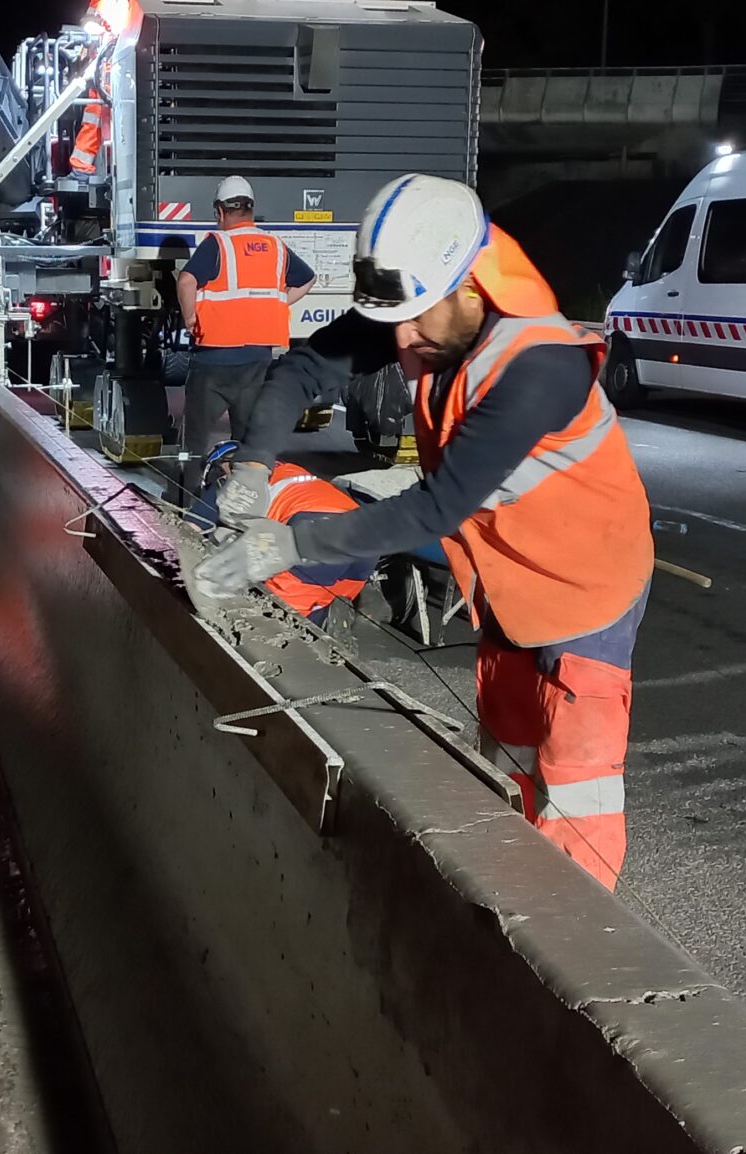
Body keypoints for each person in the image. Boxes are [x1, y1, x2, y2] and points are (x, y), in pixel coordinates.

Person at [191, 174, 653, 890]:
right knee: (508, 749)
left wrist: (287, 545)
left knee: (575, 781)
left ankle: (572, 926)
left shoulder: (539, 367)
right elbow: (303, 369)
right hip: (508, 580)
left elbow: (434, 507)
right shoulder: (429, 306)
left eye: (415, 320)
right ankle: (504, 886)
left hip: (586, 587)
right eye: (394, 320)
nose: (401, 339)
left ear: (469, 286)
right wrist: (253, 463)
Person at [173, 175, 315, 500]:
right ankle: (245, 500)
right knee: (248, 439)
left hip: (214, 359)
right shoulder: (274, 247)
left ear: (220, 212)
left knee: (195, 440)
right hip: (257, 359)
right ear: (251, 210)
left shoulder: (218, 244)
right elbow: (307, 279)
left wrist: (190, 318)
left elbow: (186, 281)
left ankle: (185, 499)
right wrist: (278, 303)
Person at [185, 442, 373, 627]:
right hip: (363, 532)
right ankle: (333, 614)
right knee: (327, 595)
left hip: (316, 531)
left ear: (223, 466)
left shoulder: (232, 484)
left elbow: (189, 530)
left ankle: (322, 620)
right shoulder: (290, 471)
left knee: (281, 616)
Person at [69, 82, 109, 179]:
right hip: (101, 89)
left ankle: (81, 168)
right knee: (93, 126)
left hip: (102, 89)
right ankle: (81, 168)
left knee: (92, 126)